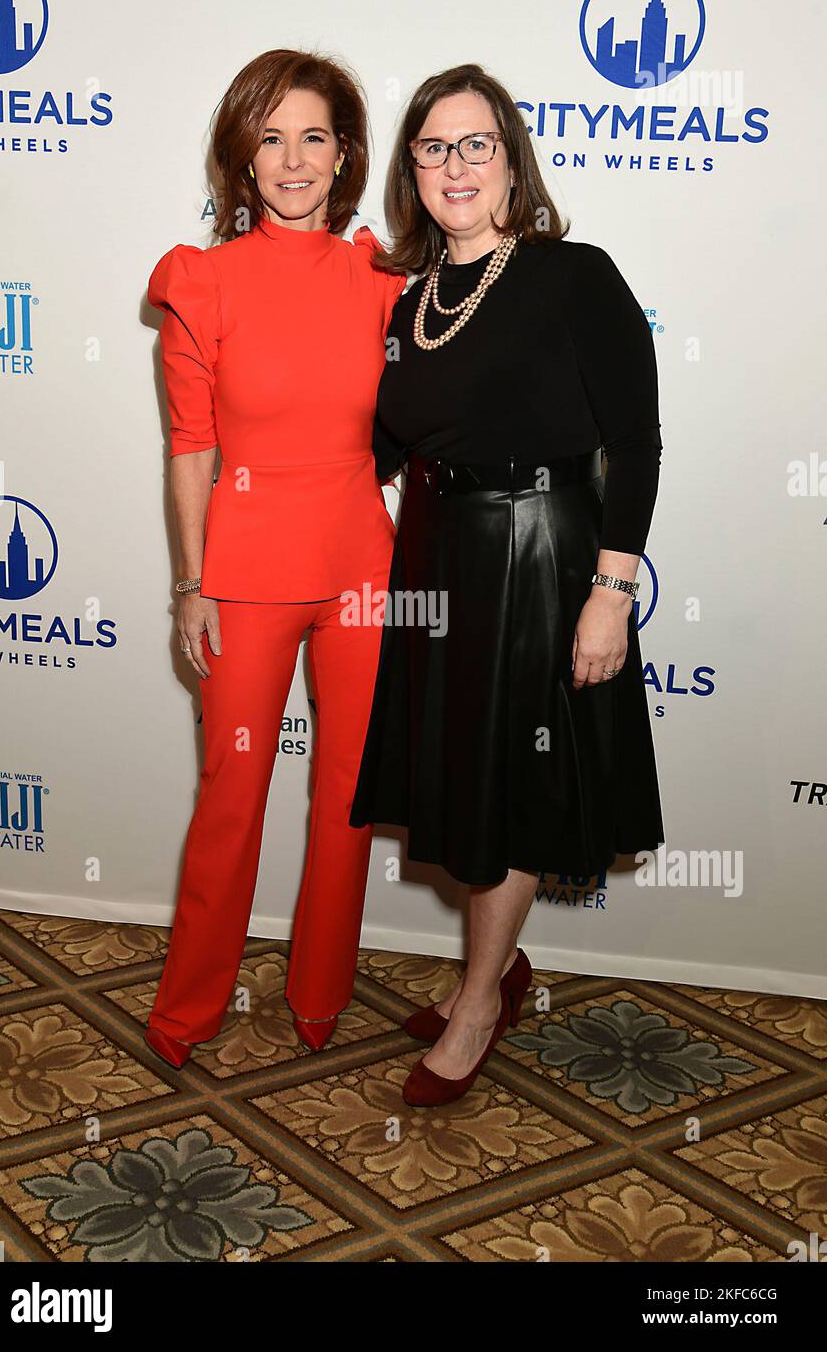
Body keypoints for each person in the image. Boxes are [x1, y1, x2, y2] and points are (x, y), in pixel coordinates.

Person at [349, 63, 665, 1106]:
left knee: (509, 791)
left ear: (510, 160)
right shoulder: (408, 302)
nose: (455, 165)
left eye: (475, 143)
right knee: (458, 785)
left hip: (542, 552)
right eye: (433, 147)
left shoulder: (572, 276)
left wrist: (609, 592)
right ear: (410, 167)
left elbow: (635, 441)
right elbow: (380, 448)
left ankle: (479, 998)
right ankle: (495, 966)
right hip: (438, 556)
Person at [143, 49, 405, 1069]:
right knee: (232, 794)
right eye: (271, 137)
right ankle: (190, 1004)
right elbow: (191, 449)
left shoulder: (381, 277)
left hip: (362, 575)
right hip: (242, 580)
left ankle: (319, 990)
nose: (293, 159)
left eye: (314, 136)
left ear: (343, 156)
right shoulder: (199, 283)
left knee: (345, 793)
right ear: (240, 159)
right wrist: (189, 583)